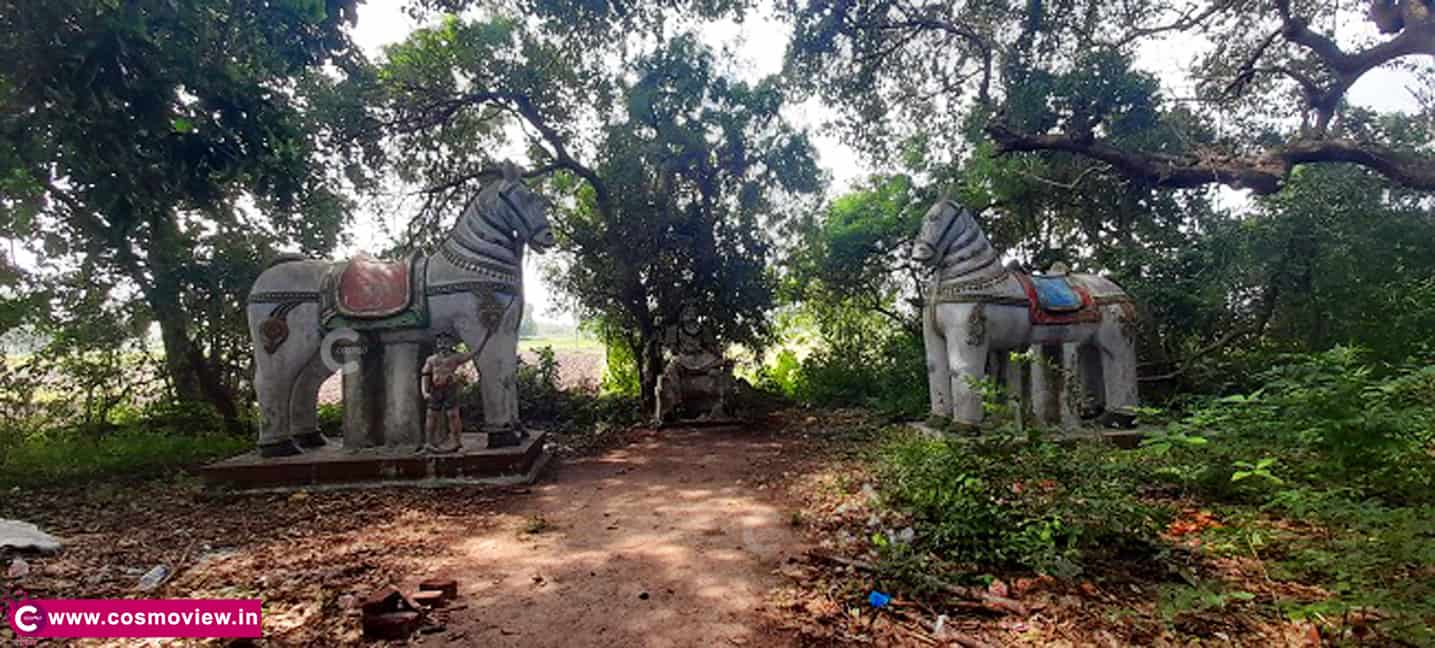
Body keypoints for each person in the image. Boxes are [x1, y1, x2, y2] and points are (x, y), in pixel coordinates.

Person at [420, 333, 477, 453]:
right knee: (431, 416)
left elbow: (473, 353)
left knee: (453, 415)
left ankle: (457, 443)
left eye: (446, 342)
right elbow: (425, 375)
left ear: (451, 344)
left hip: (449, 388)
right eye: (440, 342)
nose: (443, 345)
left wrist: (485, 338)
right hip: (435, 389)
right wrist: (424, 391)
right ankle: (429, 442)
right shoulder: (431, 359)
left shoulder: (455, 358)